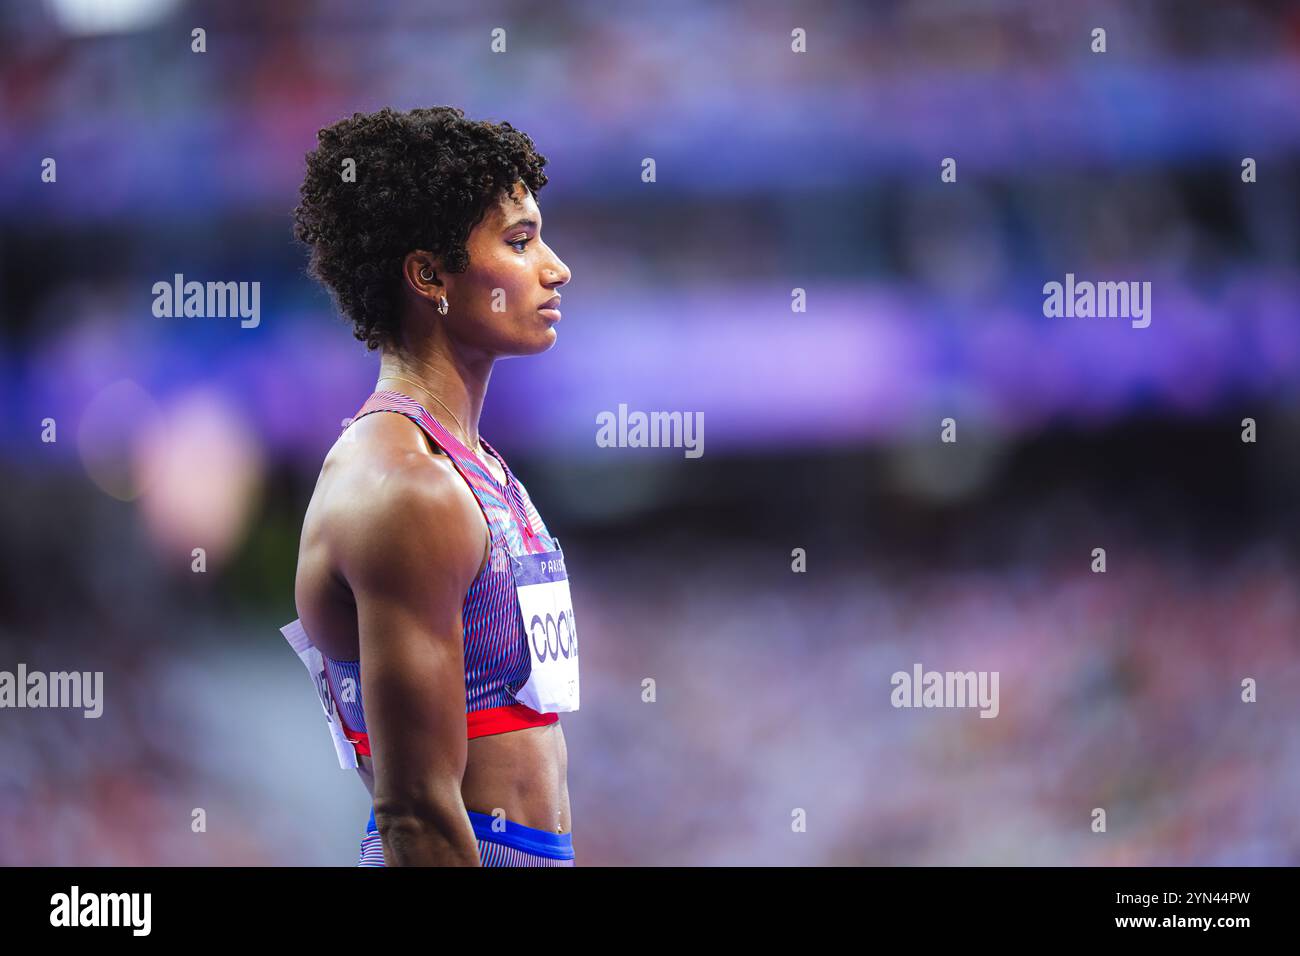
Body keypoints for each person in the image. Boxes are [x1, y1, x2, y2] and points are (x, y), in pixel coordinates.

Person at [280, 106, 577, 866]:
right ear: (429, 276)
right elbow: (414, 810)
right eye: (519, 241)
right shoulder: (405, 486)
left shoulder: (474, 466)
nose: (555, 267)